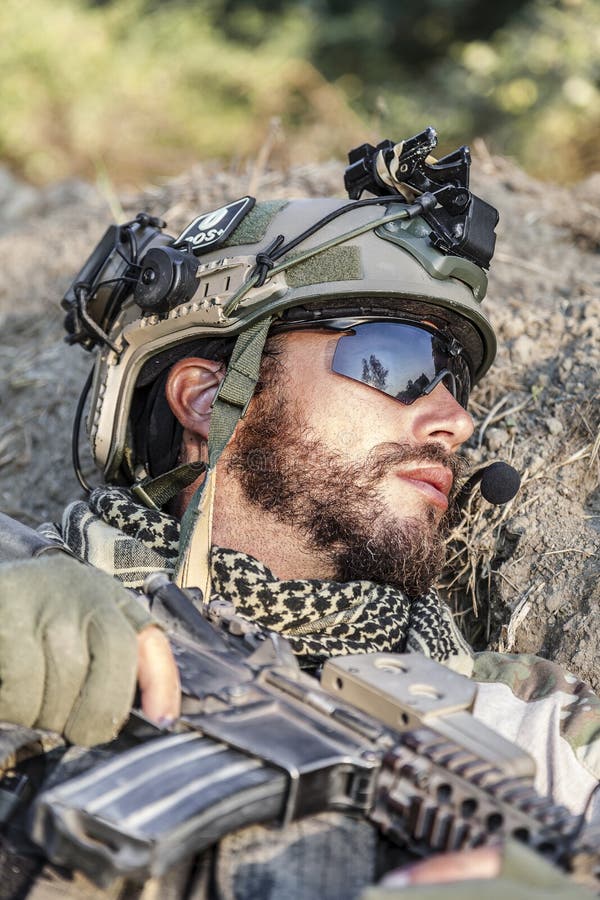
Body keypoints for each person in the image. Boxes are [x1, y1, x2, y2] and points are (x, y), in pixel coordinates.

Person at [0, 131, 599, 899]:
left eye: (454, 378)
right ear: (209, 396)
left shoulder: (536, 726)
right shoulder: (30, 594)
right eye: (400, 361)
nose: (454, 421)